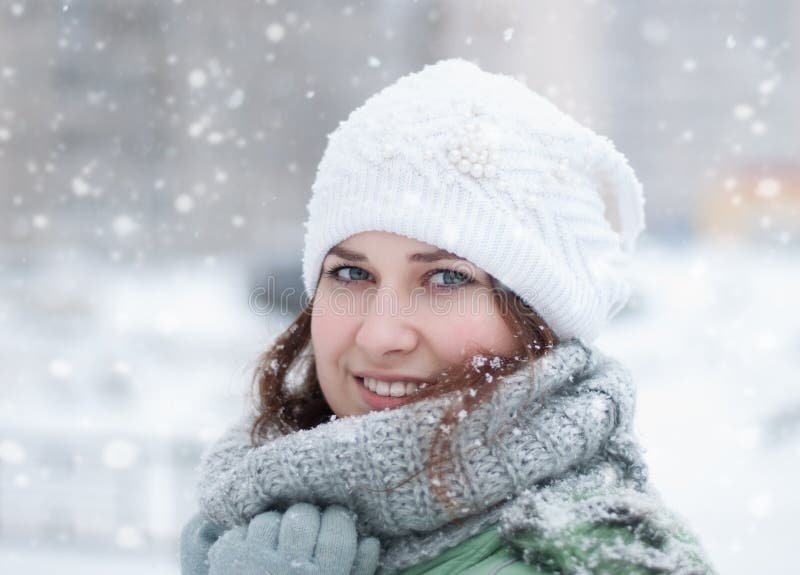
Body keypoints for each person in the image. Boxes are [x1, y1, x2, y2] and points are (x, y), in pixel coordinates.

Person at [180, 59, 717, 574]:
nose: (381, 334)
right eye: (350, 274)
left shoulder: (602, 557)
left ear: (544, 320)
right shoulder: (248, 513)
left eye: (447, 279)